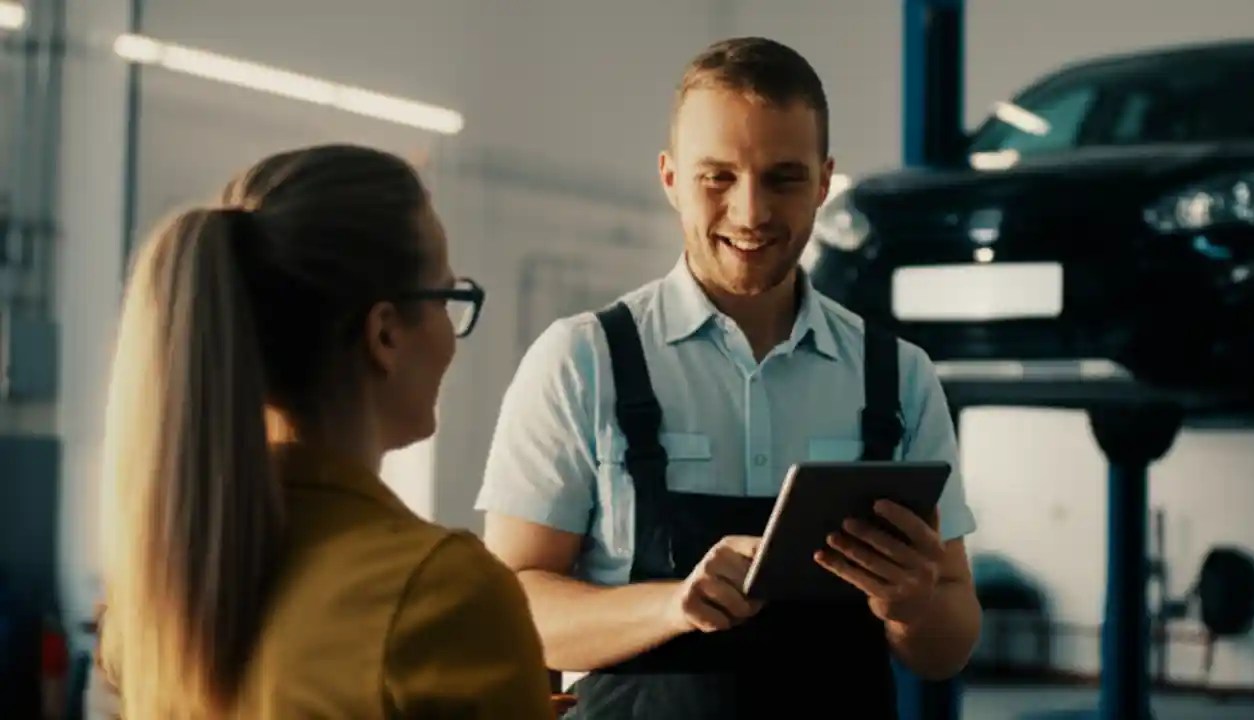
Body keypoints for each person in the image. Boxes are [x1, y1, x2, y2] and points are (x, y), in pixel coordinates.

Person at [475, 37, 982, 719]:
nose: (750, 213)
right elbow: (508, 610)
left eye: (784, 178)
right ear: (670, 178)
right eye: (717, 177)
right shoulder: (582, 362)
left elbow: (949, 642)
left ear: (824, 182)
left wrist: (913, 606)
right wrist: (672, 605)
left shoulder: (897, 377)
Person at [94, 144, 555, 719]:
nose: (451, 333)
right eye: (447, 297)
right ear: (385, 334)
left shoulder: (163, 590)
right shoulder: (441, 595)